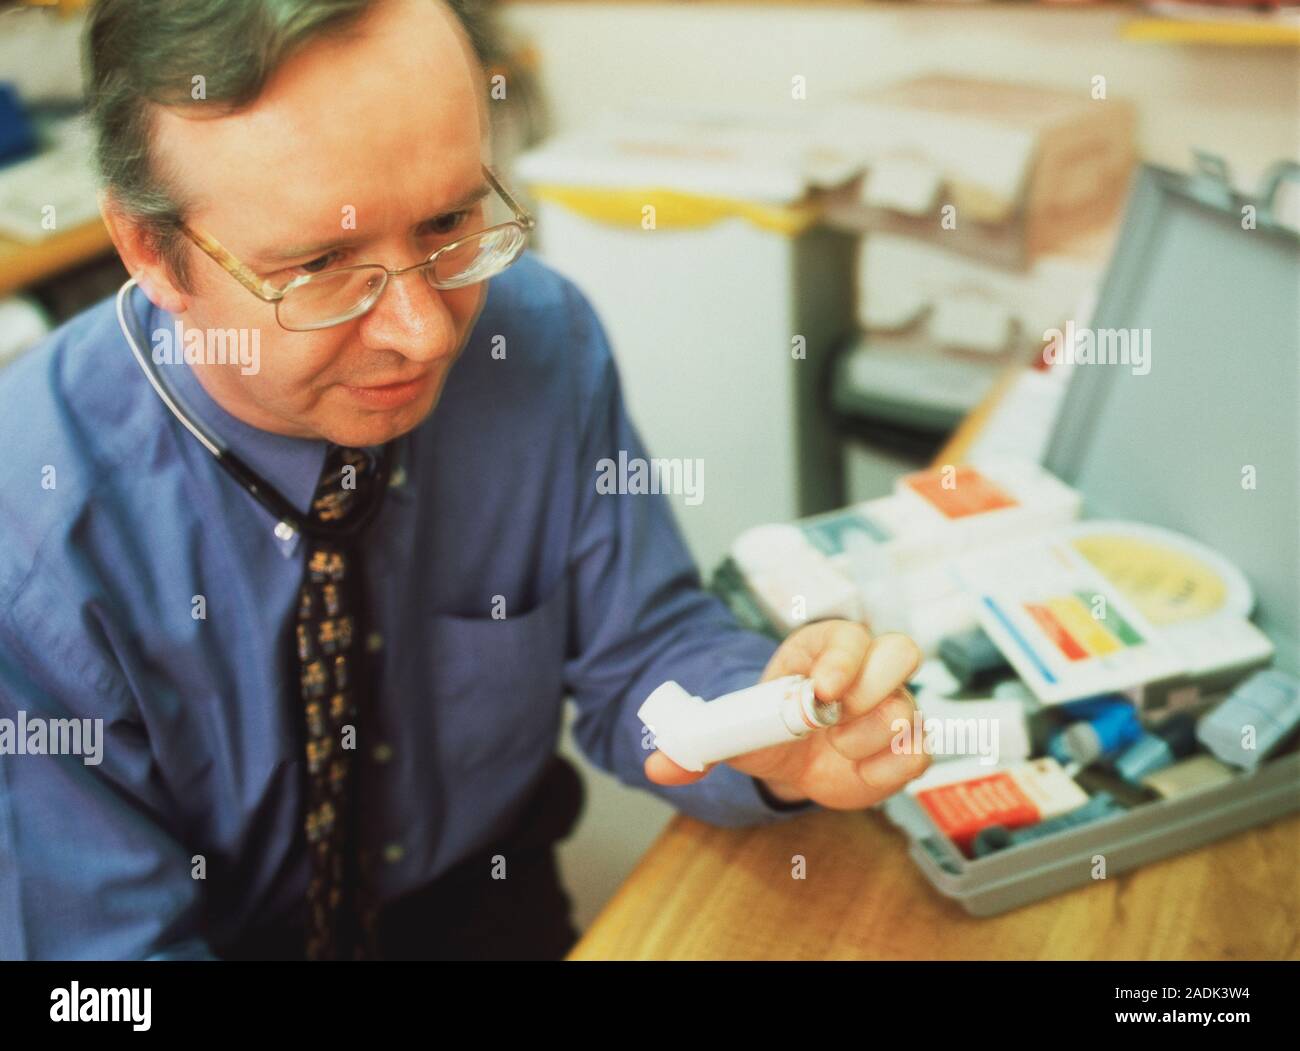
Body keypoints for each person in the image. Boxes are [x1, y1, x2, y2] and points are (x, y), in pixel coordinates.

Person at [0, 0, 928, 961]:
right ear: (150, 250)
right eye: (320, 265)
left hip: (489, 903)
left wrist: (760, 723)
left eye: (448, 220)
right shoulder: (26, 538)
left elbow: (641, 649)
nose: (425, 333)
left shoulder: (538, 336)